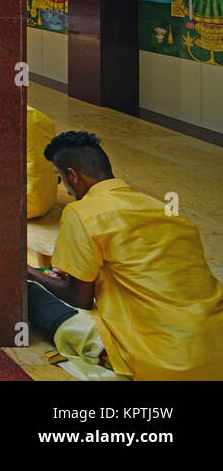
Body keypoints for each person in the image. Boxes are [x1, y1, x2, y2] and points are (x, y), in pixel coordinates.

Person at [26, 131, 223, 380]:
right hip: (215, 348)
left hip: (161, 361)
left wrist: (30, 271)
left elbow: (79, 299)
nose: (63, 187)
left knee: (30, 291)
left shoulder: (81, 212)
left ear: (72, 176)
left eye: (59, 178)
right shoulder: (166, 211)